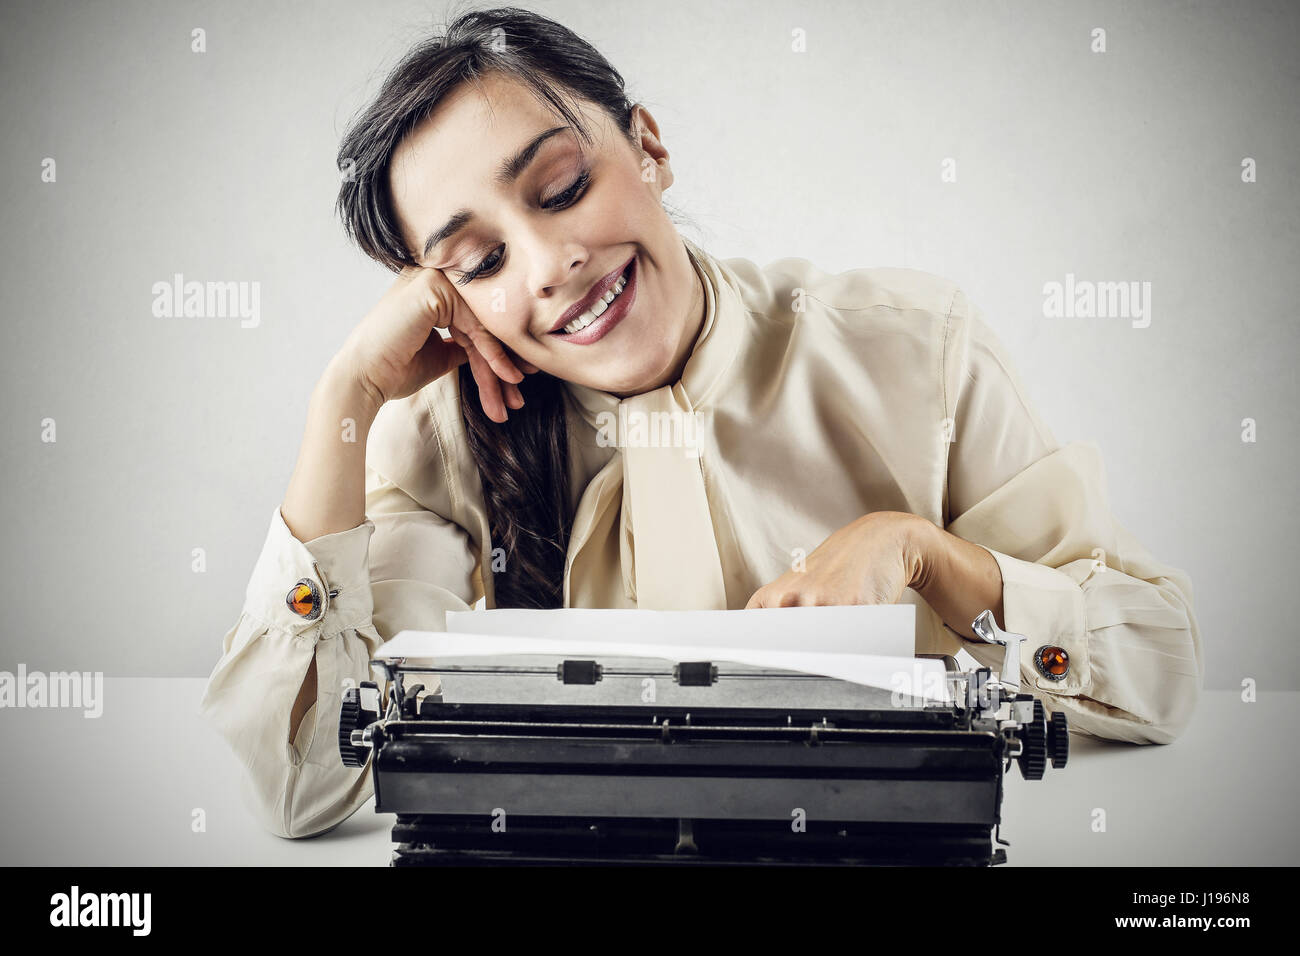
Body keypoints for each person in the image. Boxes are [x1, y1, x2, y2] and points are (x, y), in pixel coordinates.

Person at [199, 6, 1203, 839]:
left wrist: (925, 552)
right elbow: (305, 783)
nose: (550, 263)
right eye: (481, 262)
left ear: (647, 146)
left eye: (560, 189)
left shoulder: (911, 347)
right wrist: (343, 397)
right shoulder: (435, 439)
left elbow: (1157, 668)